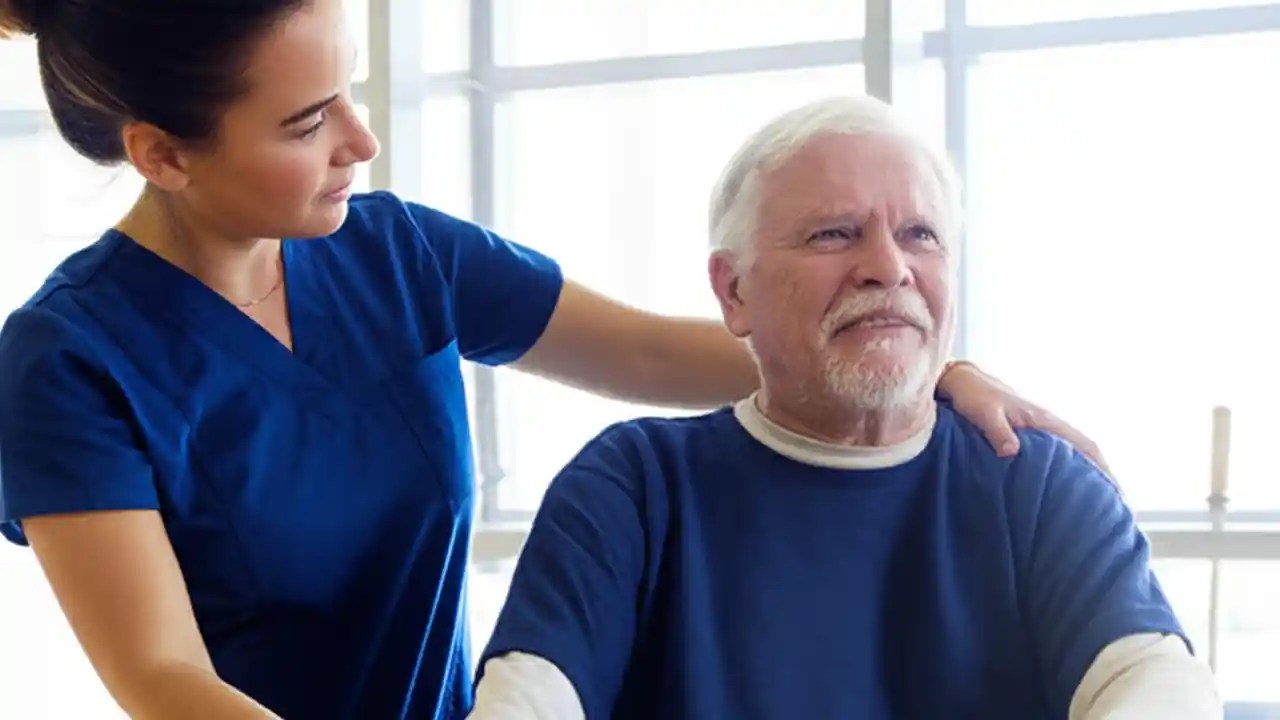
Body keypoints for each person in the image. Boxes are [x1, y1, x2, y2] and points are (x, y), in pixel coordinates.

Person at [0, 2, 1106, 719]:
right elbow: (162, 679)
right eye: (305, 122)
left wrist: (903, 362)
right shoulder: (67, 362)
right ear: (162, 154)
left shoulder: (398, 253)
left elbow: (647, 348)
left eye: (351, 89)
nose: (360, 138)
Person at [471, 95, 1222, 719]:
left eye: (919, 234)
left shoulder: (1035, 480)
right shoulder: (633, 485)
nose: (888, 268)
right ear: (735, 291)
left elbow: (1155, 682)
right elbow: (529, 698)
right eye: (834, 234)